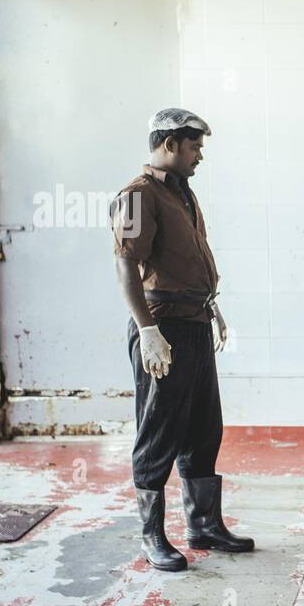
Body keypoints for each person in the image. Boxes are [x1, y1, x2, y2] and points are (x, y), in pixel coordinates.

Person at [110, 108, 254, 572]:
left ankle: (203, 525)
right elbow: (125, 267)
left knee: (204, 426)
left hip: (194, 322)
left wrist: (213, 305)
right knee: (158, 430)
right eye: (195, 147)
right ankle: (152, 536)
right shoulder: (137, 196)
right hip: (163, 328)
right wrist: (148, 331)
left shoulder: (181, 193)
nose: (199, 156)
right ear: (170, 144)